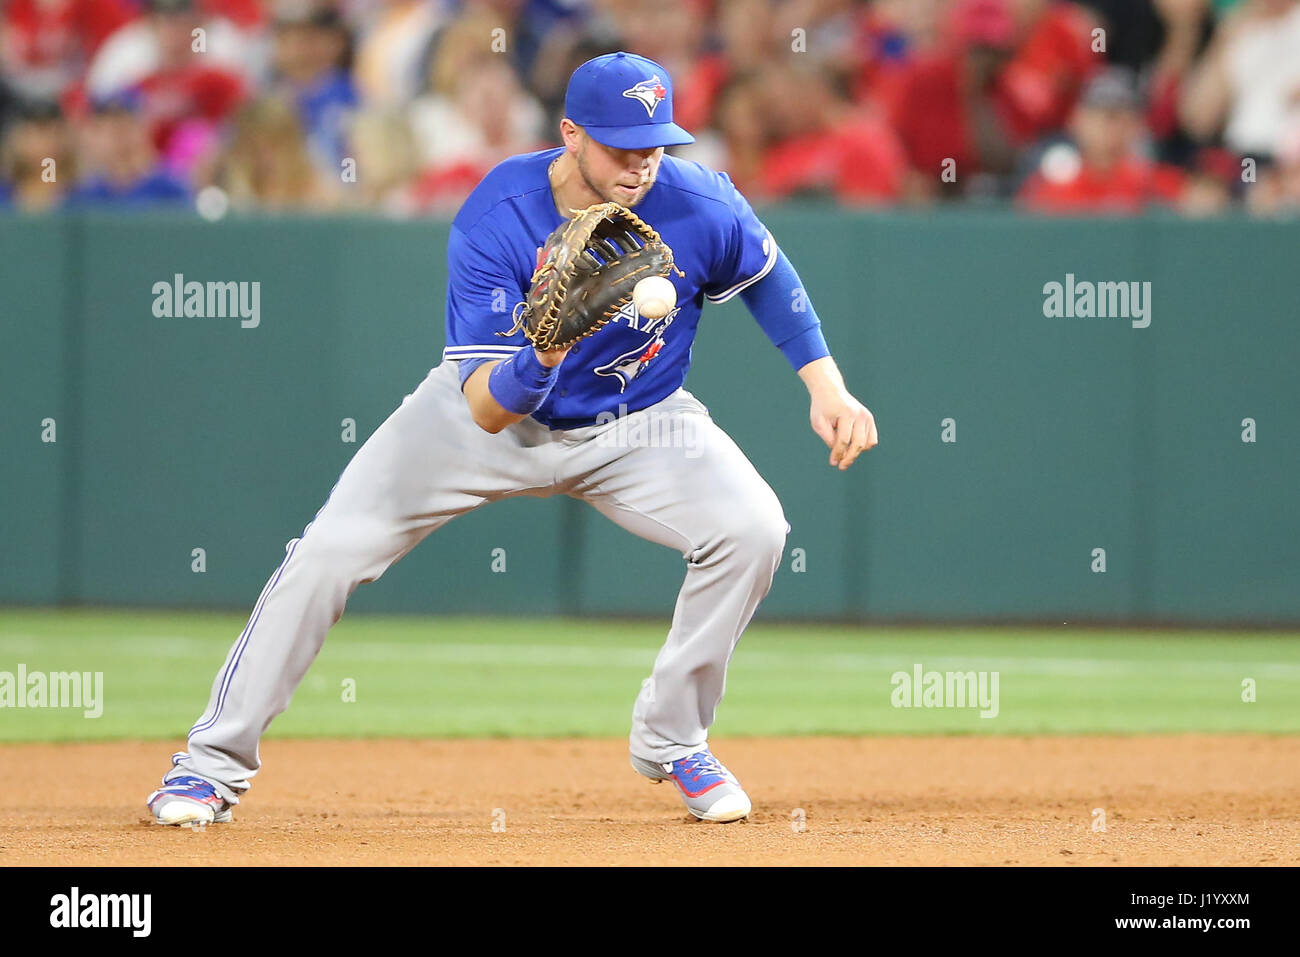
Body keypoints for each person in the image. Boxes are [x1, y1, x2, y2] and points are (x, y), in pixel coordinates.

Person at [145, 51, 877, 827]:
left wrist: (825, 385)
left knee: (754, 528)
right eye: (623, 145)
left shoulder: (697, 199)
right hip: (482, 420)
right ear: (570, 134)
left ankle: (673, 739)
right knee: (326, 553)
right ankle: (209, 766)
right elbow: (487, 408)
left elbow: (767, 274)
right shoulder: (500, 213)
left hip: (639, 422)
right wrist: (546, 353)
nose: (643, 162)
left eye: (655, 141)